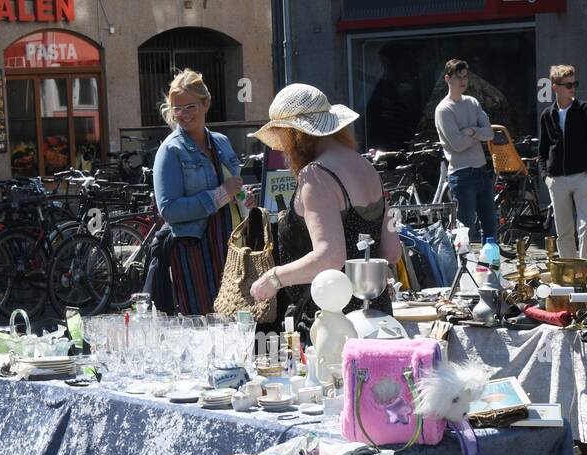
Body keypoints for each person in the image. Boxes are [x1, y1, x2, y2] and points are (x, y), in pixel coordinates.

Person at [248, 84, 402, 322]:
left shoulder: (316, 175)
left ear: (293, 134)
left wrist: (274, 278)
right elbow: (392, 252)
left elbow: (330, 257)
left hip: (330, 319)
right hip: (376, 312)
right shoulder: (367, 167)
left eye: (280, 135)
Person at [151, 68, 253, 315]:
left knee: (235, 320)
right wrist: (221, 195)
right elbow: (169, 210)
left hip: (230, 245)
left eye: (190, 107)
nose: (183, 115)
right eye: (177, 108)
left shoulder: (221, 141)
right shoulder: (170, 151)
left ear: (206, 104)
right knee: (204, 324)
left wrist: (243, 199)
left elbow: (231, 183)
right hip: (194, 250)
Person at [538, 65, 587, 259]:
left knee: (586, 227)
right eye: (567, 84)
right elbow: (543, 149)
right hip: (556, 179)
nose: (572, 88)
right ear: (555, 87)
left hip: (582, 176)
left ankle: (585, 270)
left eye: (574, 83)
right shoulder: (547, 115)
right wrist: (545, 176)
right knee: (564, 232)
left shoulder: (586, 109)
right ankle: (569, 273)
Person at [434, 59, 497, 244]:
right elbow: (457, 145)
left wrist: (471, 131)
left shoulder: (472, 102)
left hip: (482, 171)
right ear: (447, 79)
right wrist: (477, 134)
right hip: (461, 175)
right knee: (464, 231)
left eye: (465, 77)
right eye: (458, 77)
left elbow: (490, 133)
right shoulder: (443, 109)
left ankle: (490, 269)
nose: (463, 81)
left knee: (491, 227)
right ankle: (463, 270)